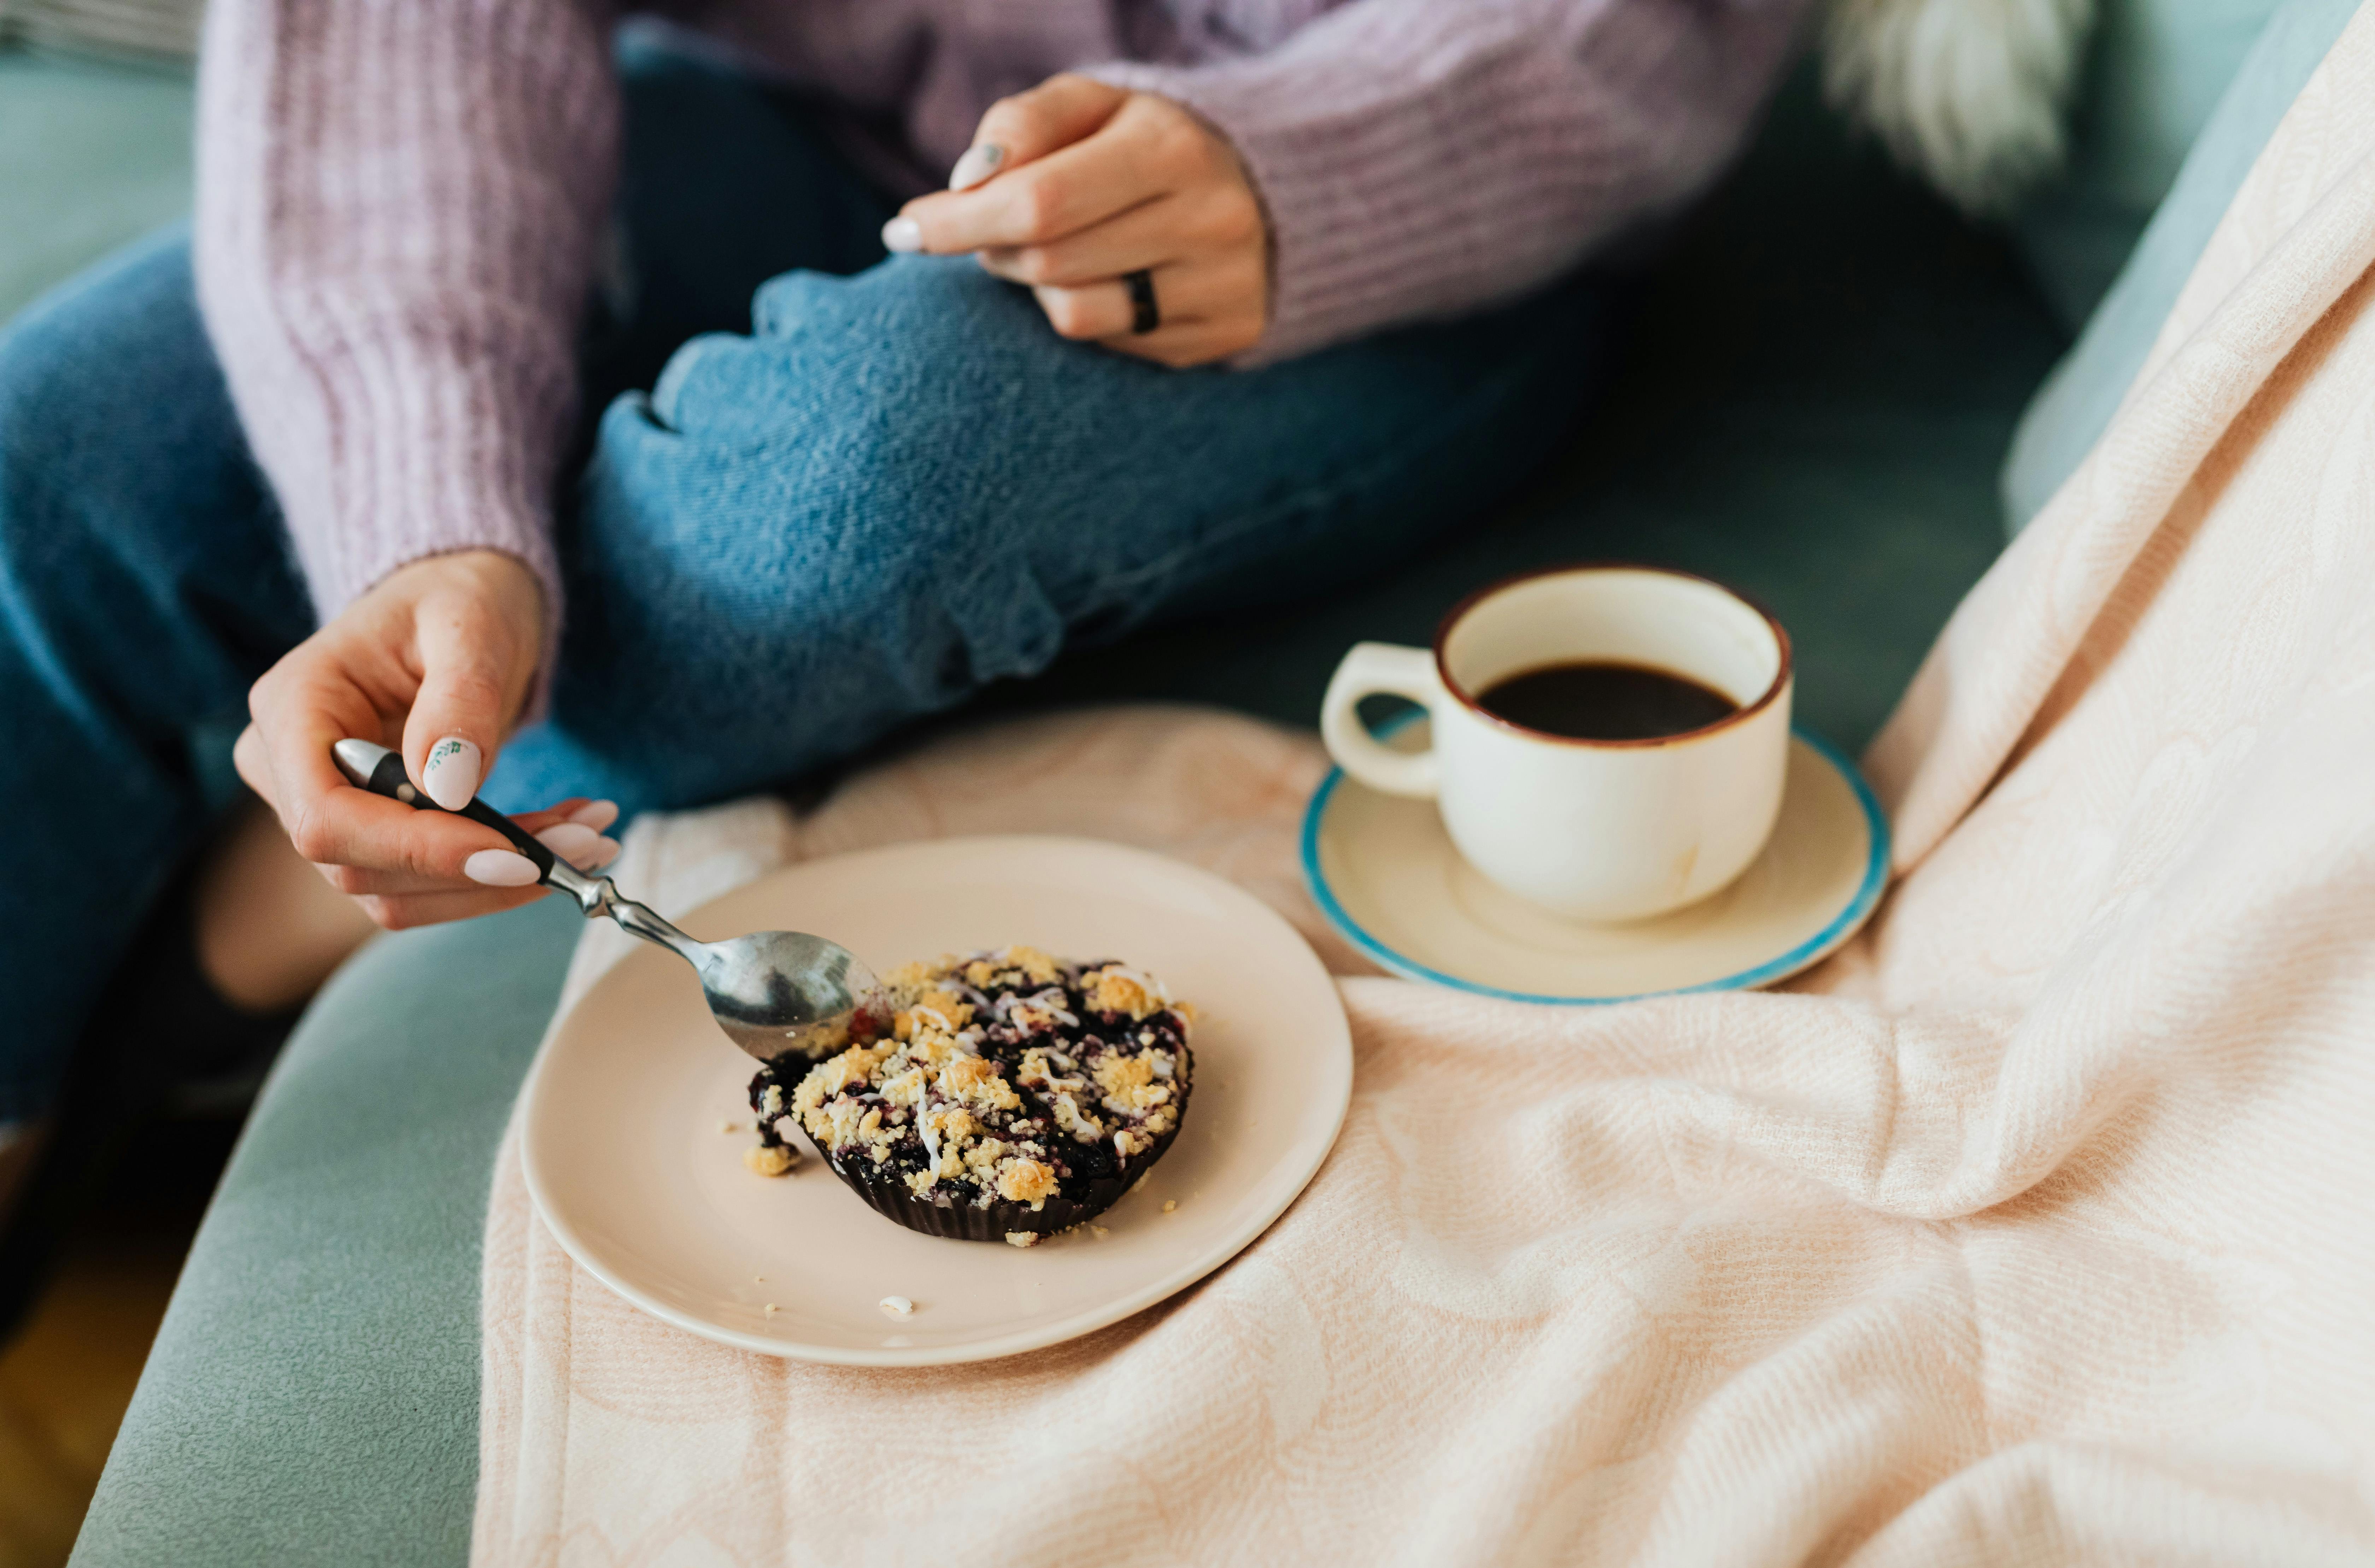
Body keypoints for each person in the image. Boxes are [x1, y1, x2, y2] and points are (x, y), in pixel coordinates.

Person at [0, 1, 1809, 1173]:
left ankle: (203, 972)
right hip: (775, 112)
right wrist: (426, 509)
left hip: (1414, 192)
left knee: (839, 501)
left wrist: (1329, 159)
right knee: (47, 456)